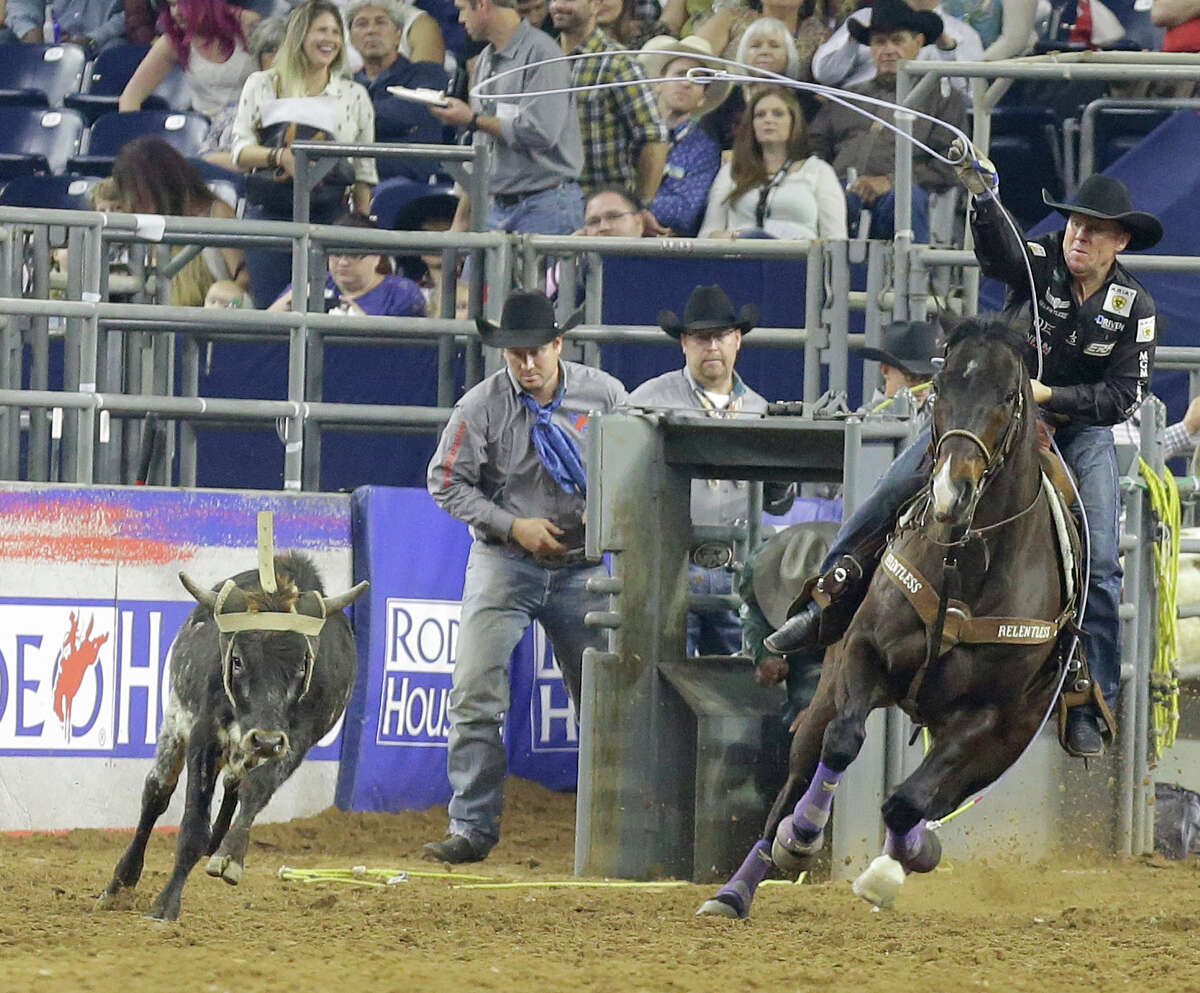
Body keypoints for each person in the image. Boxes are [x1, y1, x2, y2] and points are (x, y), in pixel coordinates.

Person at [769, 163, 1163, 761]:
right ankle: (825, 601)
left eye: (1096, 230)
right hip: (991, 417)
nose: (1080, 236)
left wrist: (1050, 398)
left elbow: (1121, 396)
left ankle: (1087, 689)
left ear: (1119, 242)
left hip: (1079, 431)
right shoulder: (1040, 257)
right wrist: (984, 196)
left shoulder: (1135, 306)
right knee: (889, 492)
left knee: (1102, 557)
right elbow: (999, 252)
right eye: (1077, 224)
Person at [423, 289, 628, 863]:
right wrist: (514, 527)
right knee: (473, 691)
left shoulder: (606, 397)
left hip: (581, 563)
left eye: (537, 351)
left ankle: (613, 826)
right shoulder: (479, 407)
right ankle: (471, 826)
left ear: (559, 345)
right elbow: (445, 481)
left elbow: (640, 458)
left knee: (605, 699)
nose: (528, 364)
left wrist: (611, 506)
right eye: (516, 355)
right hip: (505, 560)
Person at [628, 284, 796, 656]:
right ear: (684, 343)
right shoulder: (644, 403)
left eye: (720, 337)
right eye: (702, 338)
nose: (713, 347)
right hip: (669, 564)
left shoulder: (761, 410)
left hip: (738, 567)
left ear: (737, 340)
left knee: (737, 681)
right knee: (665, 677)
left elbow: (778, 503)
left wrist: (782, 474)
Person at [231, 0, 378, 306]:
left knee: (324, 309)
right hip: (271, 217)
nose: (331, 40)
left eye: (336, 32)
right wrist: (278, 157)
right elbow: (240, 151)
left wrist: (359, 232)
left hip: (330, 217)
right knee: (272, 310)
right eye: (321, 30)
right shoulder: (261, 84)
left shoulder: (353, 95)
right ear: (299, 35)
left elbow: (364, 172)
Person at [807, 0, 966, 243]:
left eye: (898, 40)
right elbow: (813, 147)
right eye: (880, 42)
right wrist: (827, 183)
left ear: (919, 42)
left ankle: (915, 277)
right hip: (841, 193)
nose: (888, 49)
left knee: (905, 198)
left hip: (905, 196)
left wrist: (891, 181)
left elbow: (949, 163)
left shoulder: (942, 98)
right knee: (815, 197)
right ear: (871, 48)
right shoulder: (847, 97)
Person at [430, 0, 586, 236]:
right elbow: (482, 146)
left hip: (547, 205)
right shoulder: (484, 59)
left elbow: (541, 132)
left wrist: (472, 119)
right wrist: (461, 219)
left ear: (482, 5)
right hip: (497, 205)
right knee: (477, 274)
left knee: (544, 275)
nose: (461, 19)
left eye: (463, 9)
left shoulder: (542, 54)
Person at [551, 0, 670, 201]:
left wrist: (641, 205)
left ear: (595, 5)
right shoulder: (539, 62)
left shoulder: (619, 64)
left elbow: (654, 139)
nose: (558, 6)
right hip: (544, 207)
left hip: (600, 208)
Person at [110, 135, 248, 306]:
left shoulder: (216, 213)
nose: (135, 202)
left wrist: (230, 298)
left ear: (162, 183)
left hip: (207, 322)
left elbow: (243, 278)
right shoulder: (137, 225)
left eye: (140, 192)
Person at [119, 0, 259, 164]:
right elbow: (129, 98)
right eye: (172, 5)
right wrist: (136, 149)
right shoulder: (172, 42)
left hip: (256, 126)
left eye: (183, 4)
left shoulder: (248, 23)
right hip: (211, 137)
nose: (176, 13)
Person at [700, 85, 846, 240]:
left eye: (778, 114)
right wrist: (738, 237)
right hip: (741, 255)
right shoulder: (732, 171)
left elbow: (836, 240)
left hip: (797, 259)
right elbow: (707, 235)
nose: (768, 120)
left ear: (793, 122)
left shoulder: (819, 171)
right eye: (760, 115)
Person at [348, 0, 450, 182]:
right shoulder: (348, 84)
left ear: (398, 35)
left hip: (411, 186)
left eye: (381, 22)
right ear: (351, 39)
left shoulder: (427, 74)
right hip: (354, 182)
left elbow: (407, 113)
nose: (371, 30)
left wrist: (346, 116)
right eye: (361, 24)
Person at [639, 35, 726, 237]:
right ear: (659, 83)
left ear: (702, 98)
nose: (687, 83)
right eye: (680, 74)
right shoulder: (633, 134)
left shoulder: (705, 148)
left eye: (698, 79)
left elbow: (684, 211)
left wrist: (629, 208)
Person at [810, 0, 985, 97]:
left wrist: (947, 48)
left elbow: (971, 99)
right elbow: (824, 74)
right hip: (860, 111)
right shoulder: (864, 19)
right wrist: (856, 37)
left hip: (926, 117)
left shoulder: (964, 35)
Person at [267, 212, 427, 316]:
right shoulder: (313, 283)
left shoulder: (402, 293)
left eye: (354, 255)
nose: (343, 262)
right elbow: (267, 325)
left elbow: (404, 352)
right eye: (335, 253)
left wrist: (357, 321)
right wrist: (291, 299)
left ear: (377, 255)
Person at [9, 0, 126, 50]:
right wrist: (29, 30)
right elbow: (22, 3)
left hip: (101, 41)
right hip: (46, 39)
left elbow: (133, 14)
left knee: (115, 49)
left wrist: (93, 39)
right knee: (6, 39)